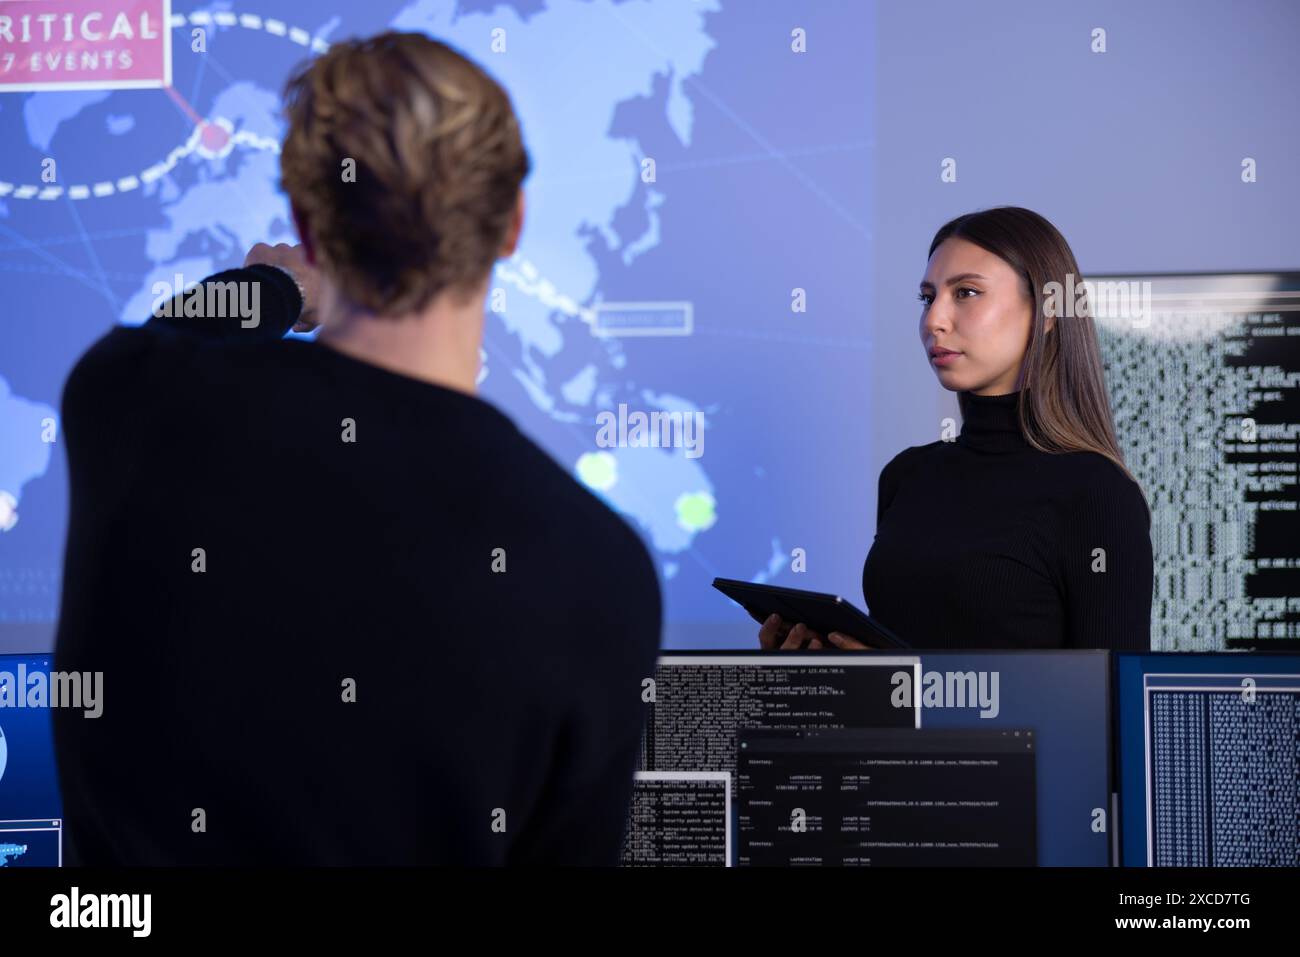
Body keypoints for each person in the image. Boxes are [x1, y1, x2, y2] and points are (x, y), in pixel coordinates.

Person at [53, 31, 661, 865]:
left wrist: (273, 283)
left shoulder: (131, 397)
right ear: (512, 224)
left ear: (308, 221)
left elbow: (176, 335)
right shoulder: (600, 569)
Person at [760, 206, 1153, 652]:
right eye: (928, 297)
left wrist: (904, 685)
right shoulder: (906, 476)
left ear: (1048, 310)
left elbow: (1108, 710)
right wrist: (828, 665)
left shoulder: (1097, 493)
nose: (933, 320)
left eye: (965, 292)